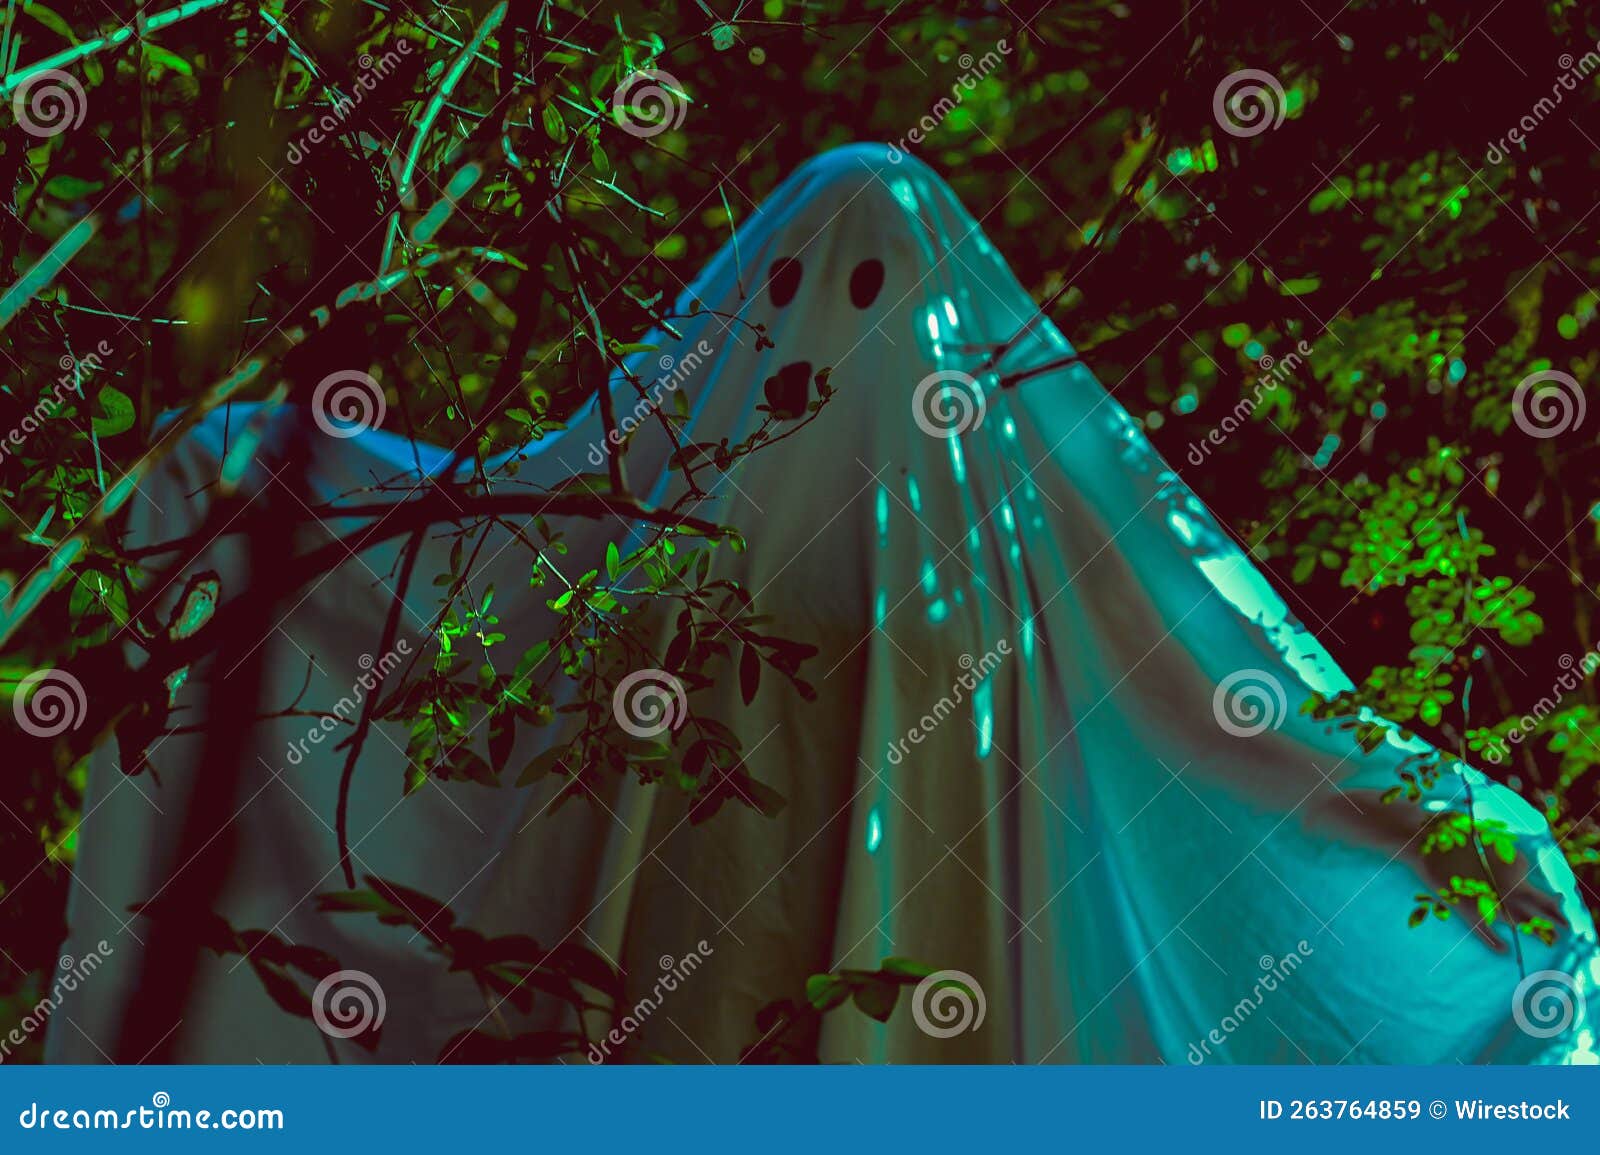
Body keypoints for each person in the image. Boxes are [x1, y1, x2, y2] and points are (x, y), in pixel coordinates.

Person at [49, 143, 1598, 1064]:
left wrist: (1469, 855)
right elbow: (1219, 710)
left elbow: (1217, 712)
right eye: (828, 288)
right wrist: (247, 477)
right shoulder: (909, 561)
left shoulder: (905, 569)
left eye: (881, 293)